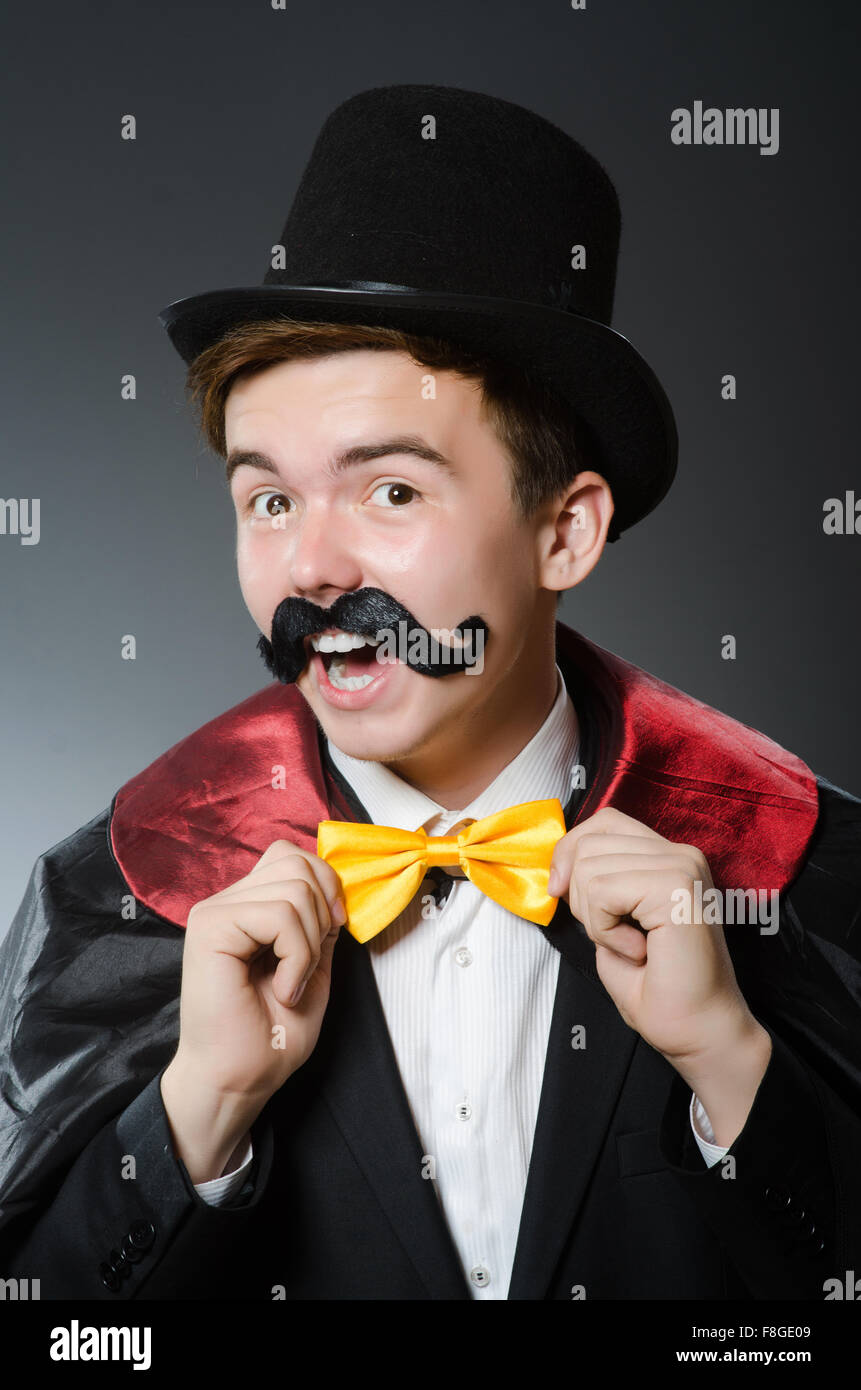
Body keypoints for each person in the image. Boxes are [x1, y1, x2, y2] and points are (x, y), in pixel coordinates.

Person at [1, 84, 859, 1302]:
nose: (312, 566)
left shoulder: (804, 869)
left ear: (564, 533)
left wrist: (732, 1065)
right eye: (270, 500)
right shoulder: (118, 897)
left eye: (391, 491)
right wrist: (199, 1110)